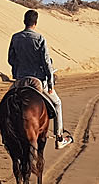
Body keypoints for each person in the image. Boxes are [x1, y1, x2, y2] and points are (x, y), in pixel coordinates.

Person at [8, 9, 73, 148]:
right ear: (35, 23)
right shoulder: (39, 38)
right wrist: (50, 83)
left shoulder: (15, 37)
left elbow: (11, 59)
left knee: (6, 103)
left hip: (20, 80)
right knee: (57, 104)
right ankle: (59, 138)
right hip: (37, 80)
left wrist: (17, 72)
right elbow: (46, 63)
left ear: (24, 21)